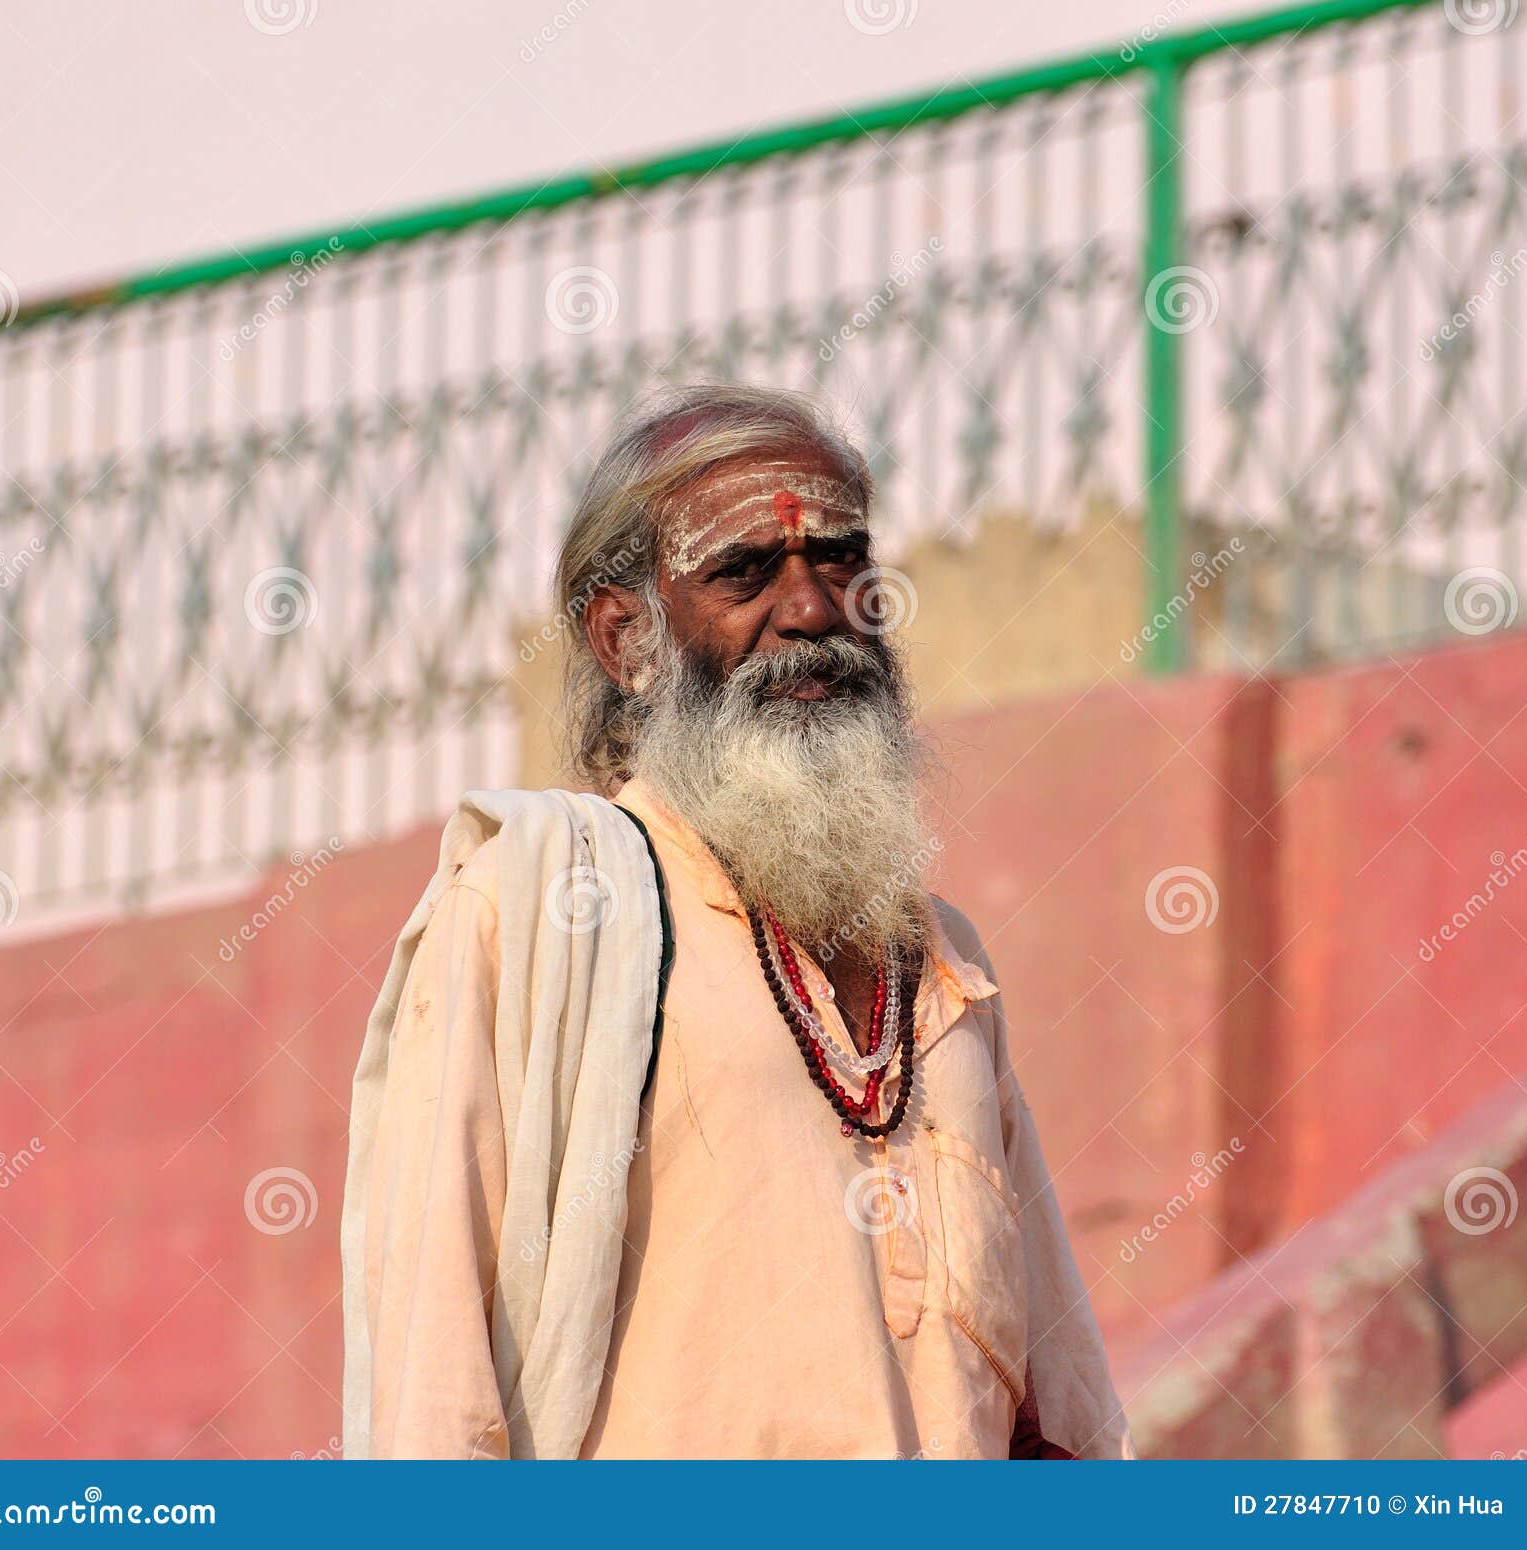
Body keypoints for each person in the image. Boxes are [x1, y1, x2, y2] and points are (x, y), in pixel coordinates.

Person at [341, 382, 1129, 1460]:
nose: (812, 611)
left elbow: (1048, 1411)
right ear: (628, 639)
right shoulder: (530, 911)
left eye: (841, 561)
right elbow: (432, 1384)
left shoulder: (938, 959)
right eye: (744, 572)